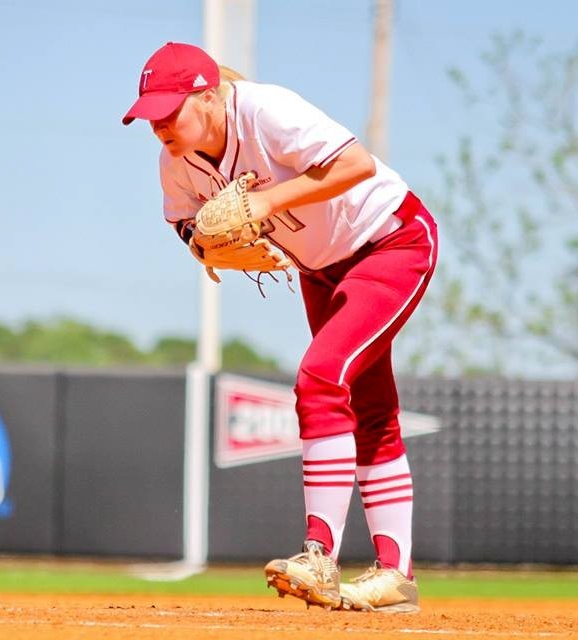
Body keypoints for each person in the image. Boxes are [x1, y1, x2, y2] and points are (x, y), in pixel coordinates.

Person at [122, 42, 437, 614]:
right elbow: (184, 225)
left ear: (209, 96)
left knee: (320, 377)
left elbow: (356, 165)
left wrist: (266, 203)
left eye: (170, 110)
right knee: (370, 410)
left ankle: (319, 554)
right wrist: (205, 245)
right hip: (320, 269)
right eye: (151, 114)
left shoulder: (266, 111)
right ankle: (397, 577)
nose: (160, 125)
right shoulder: (176, 161)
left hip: (390, 243)